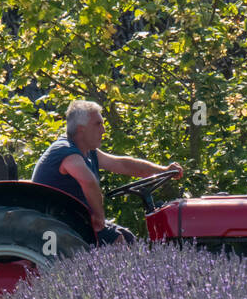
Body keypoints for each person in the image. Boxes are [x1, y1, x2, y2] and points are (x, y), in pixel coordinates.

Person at [31, 100, 182, 245]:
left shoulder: (88, 152)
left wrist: (163, 170)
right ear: (80, 129)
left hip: (74, 219)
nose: (103, 130)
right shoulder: (65, 151)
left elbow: (123, 165)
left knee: (129, 238)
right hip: (56, 221)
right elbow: (88, 181)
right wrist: (99, 219)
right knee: (115, 241)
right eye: (98, 124)